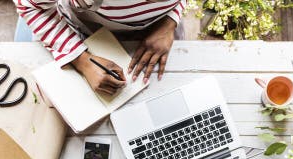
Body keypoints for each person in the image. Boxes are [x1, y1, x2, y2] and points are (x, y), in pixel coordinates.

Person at [15, 0, 185, 95]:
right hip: (81, 33)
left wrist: (170, 22)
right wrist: (82, 61)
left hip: (159, 32)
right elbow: (29, 5)